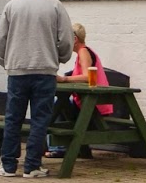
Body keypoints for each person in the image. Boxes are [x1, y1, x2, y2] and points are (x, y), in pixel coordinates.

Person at [0, 0, 73, 178]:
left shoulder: (12, 6)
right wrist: (61, 58)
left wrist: (5, 62)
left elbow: (0, 40)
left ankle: (9, 166)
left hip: (17, 69)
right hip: (45, 70)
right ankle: (32, 166)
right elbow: (65, 39)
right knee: (40, 120)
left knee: (13, 118)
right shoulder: (55, 6)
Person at [48, 21, 113, 155]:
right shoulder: (83, 53)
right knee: (61, 104)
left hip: (93, 106)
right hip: (89, 103)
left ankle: (58, 148)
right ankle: (76, 149)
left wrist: (64, 79)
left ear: (75, 39)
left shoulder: (83, 52)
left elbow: (87, 77)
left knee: (55, 105)